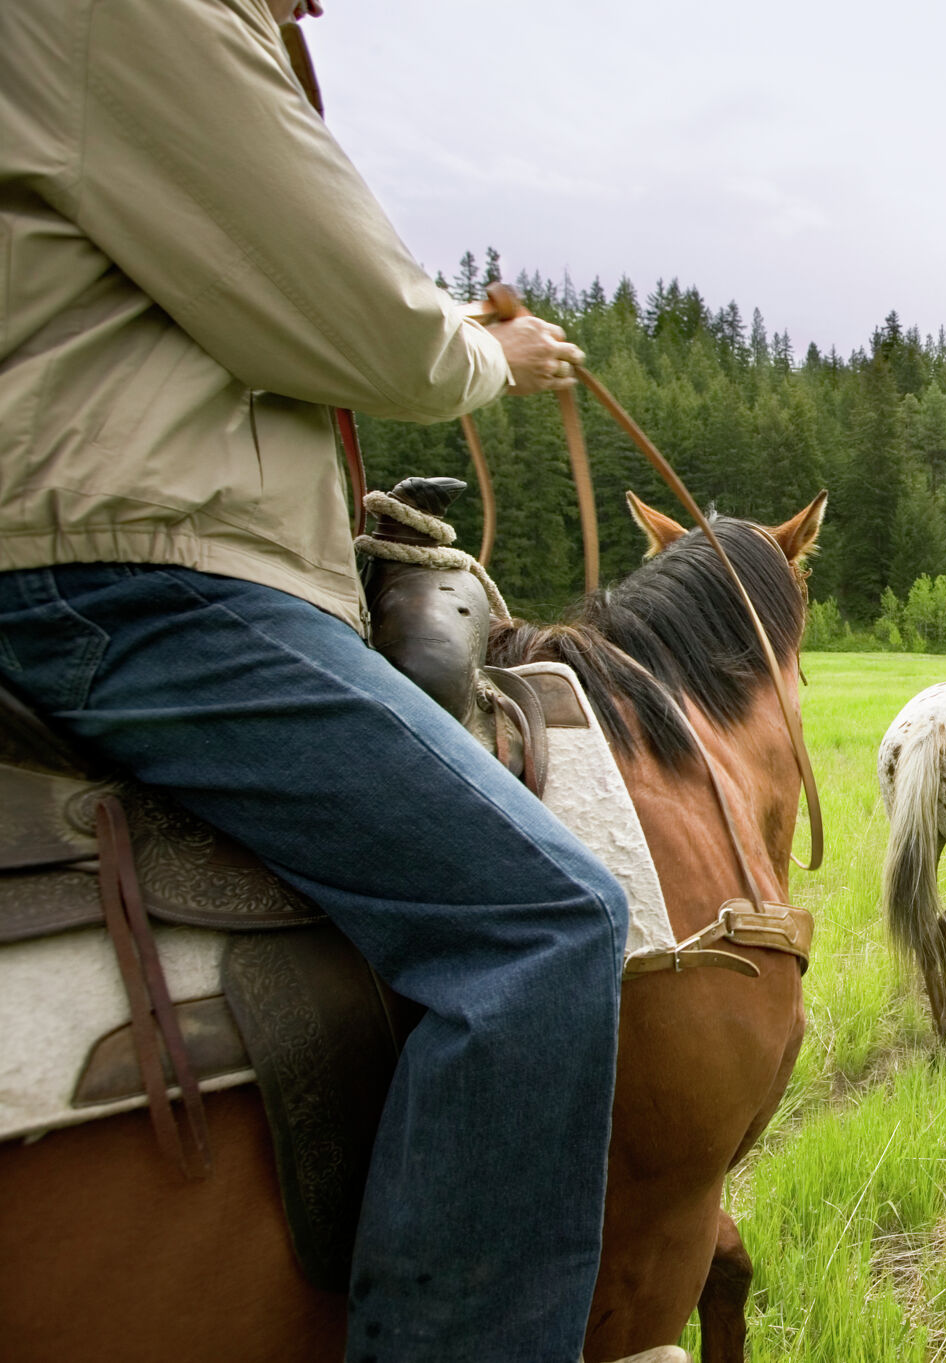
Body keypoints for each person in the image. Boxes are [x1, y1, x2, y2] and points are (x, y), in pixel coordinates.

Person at [0, 3, 633, 1359]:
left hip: (88, 524)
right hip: (134, 562)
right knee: (545, 921)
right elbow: (348, 316)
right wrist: (488, 353)